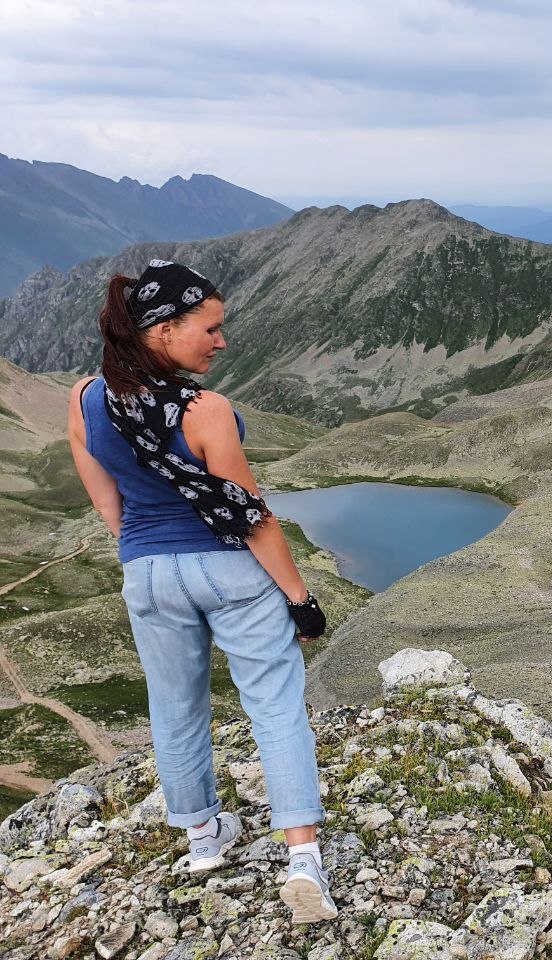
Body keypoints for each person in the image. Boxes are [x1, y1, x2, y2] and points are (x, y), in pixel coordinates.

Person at [67, 259, 338, 923]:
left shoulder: (83, 399)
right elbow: (252, 514)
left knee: (175, 705)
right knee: (273, 704)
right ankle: (302, 859)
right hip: (227, 570)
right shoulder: (207, 411)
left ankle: (202, 838)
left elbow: (109, 506)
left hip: (149, 573)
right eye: (209, 328)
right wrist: (300, 598)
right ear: (162, 329)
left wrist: (149, 553)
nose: (221, 342)